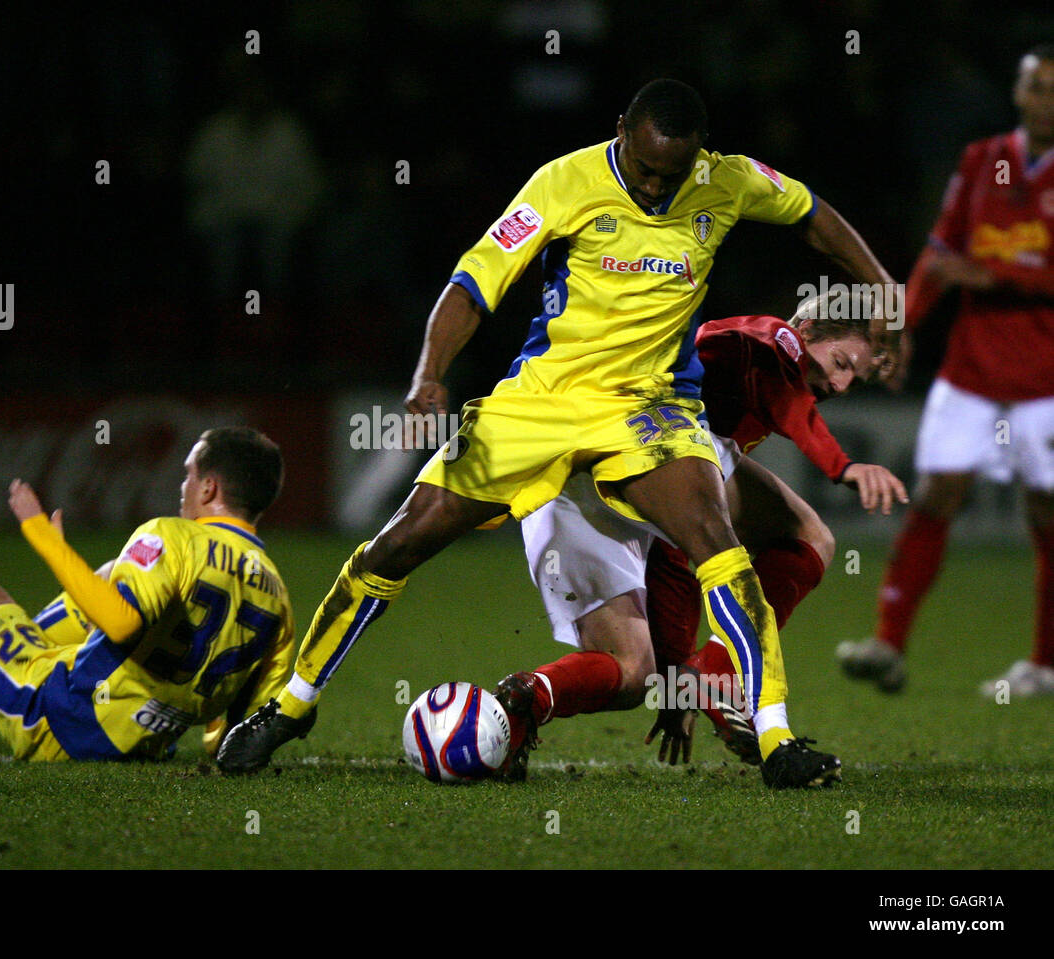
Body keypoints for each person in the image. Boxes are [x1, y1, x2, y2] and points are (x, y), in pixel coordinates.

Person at [219, 79, 899, 788]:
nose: (656, 186)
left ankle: (776, 735)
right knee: (405, 535)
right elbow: (472, 284)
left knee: (715, 540)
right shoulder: (563, 181)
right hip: (541, 402)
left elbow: (813, 215)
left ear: (697, 156)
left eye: (672, 174)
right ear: (620, 132)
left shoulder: (726, 181)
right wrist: (428, 377)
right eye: (643, 169)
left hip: (650, 407)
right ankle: (291, 704)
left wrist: (881, 287)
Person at [503, 300, 906, 782]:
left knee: (631, 673)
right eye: (840, 363)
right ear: (808, 328)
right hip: (636, 444)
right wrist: (842, 465)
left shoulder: (726, 413)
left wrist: (679, 677)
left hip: (573, 492)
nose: (839, 386)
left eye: (855, 381)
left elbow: (678, 553)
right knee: (810, 537)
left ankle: (525, 698)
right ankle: (733, 687)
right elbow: (786, 394)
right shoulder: (768, 338)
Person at [0, 427, 302, 761]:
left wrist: (43, 536)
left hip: (61, 722)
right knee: (107, 575)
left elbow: (121, 623)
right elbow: (240, 729)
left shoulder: (174, 536)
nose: (181, 486)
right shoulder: (277, 593)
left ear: (209, 487)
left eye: (188, 475)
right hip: (147, 743)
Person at [837, 45, 1054, 696]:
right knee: (934, 495)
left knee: (1045, 513)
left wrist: (997, 274)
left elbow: (971, 264)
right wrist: (902, 328)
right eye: (1037, 86)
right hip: (970, 370)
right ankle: (888, 642)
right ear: (1018, 93)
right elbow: (938, 254)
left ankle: (1043, 665)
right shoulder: (983, 160)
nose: (1046, 98)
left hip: (1045, 378)